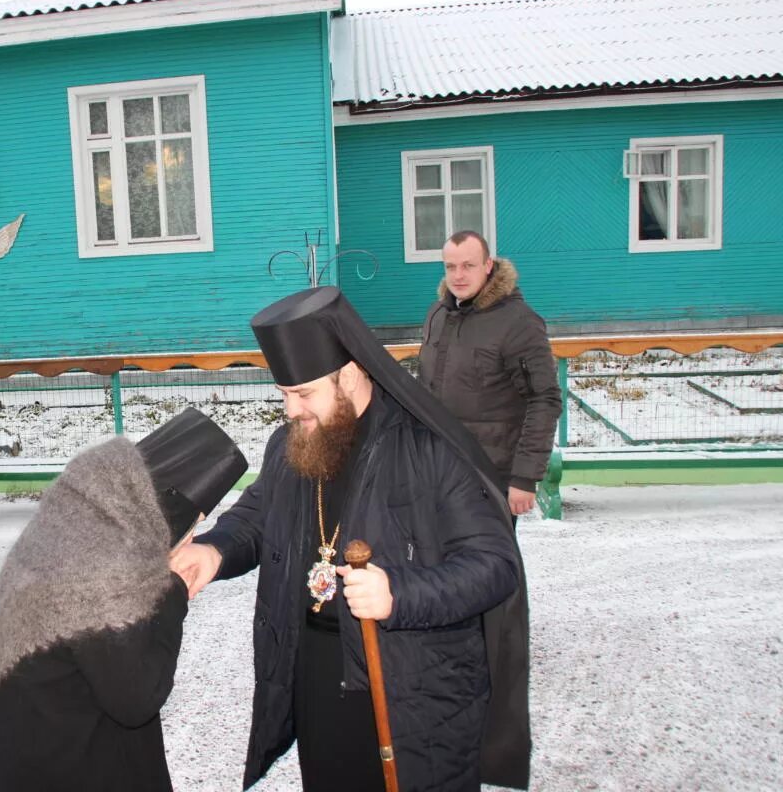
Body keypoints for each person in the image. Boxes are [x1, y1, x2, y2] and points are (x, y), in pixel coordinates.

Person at [170, 287, 530, 791]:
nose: (291, 410)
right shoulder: (293, 444)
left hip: (410, 684)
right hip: (317, 674)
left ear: (353, 373)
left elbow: (494, 565)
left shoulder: (428, 447)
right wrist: (214, 551)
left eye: (303, 393)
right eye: (283, 394)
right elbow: (258, 515)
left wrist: (400, 595)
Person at [0, 408, 247, 792]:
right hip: (79, 765)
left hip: (30, 751)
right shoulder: (100, 573)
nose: (191, 536)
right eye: (194, 523)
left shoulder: (64, 532)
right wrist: (174, 592)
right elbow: (138, 696)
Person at [419, 231, 562, 521]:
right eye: (450, 267)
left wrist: (524, 477)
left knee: (489, 563)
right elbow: (427, 389)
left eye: (468, 266)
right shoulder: (438, 314)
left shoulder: (518, 322)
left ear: (488, 265)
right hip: (440, 468)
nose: (458, 275)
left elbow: (543, 399)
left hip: (491, 475)